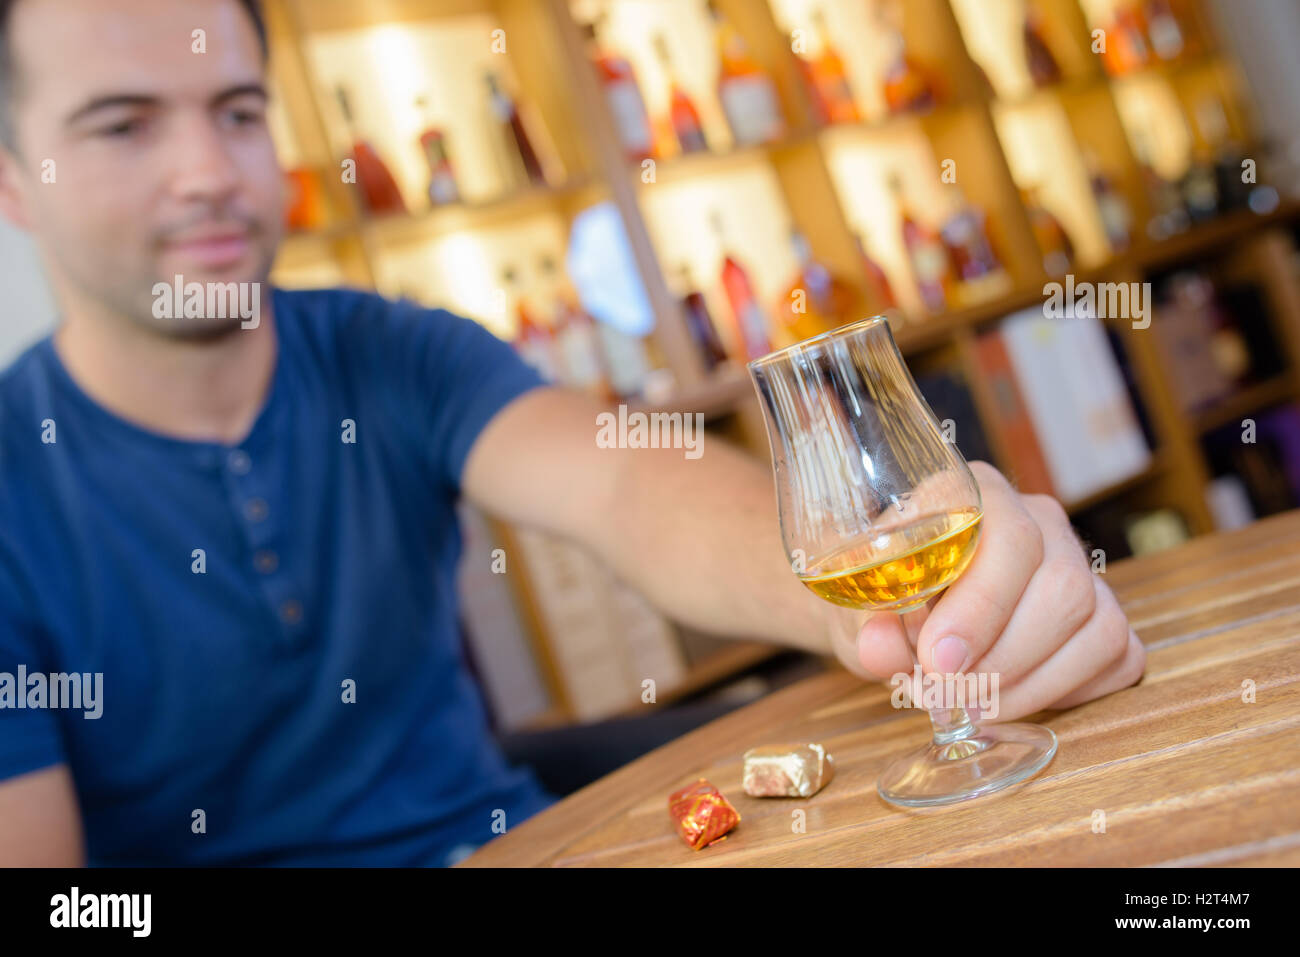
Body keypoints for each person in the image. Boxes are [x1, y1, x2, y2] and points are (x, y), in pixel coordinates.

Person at [0, 0, 1145, 867]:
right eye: (122, 124)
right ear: (13, 179)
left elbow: (628, 484)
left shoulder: (385, 351)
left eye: (238, 113)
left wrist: (877, 601)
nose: (208, 172)